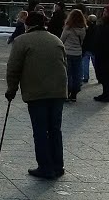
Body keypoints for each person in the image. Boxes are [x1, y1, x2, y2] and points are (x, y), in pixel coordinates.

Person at [4, 12, 69, 179]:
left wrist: (11, 89)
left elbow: (13, 68)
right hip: (58, 91)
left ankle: (45, 167)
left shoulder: (22, 41)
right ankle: (57, 165)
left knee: (40, 130)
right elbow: (64, 64)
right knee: (55, 129)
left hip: (37, 92)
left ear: (27, 25)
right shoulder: (56, 39)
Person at [59, 9, 87, 102]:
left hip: (67, 52)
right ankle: (74, 93)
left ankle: (68, 92)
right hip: (78, 53)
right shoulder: (83, 28)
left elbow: (62, 40)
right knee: (76, 74)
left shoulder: (68, 28)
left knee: (68, 74)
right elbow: (82, 41)